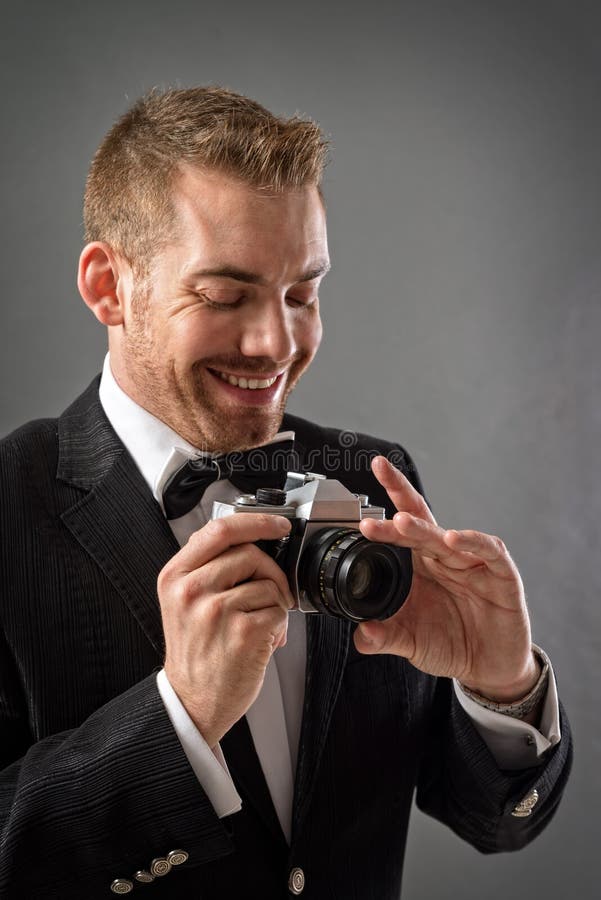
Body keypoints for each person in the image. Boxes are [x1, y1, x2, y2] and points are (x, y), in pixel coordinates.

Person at [0, 87, 571, 899]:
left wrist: (500, 686)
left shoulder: (371, 477)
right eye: (225, 296)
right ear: (108, 286)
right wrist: (179, 720)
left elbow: (494, 819)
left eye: (302, 293)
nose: (277, 343)